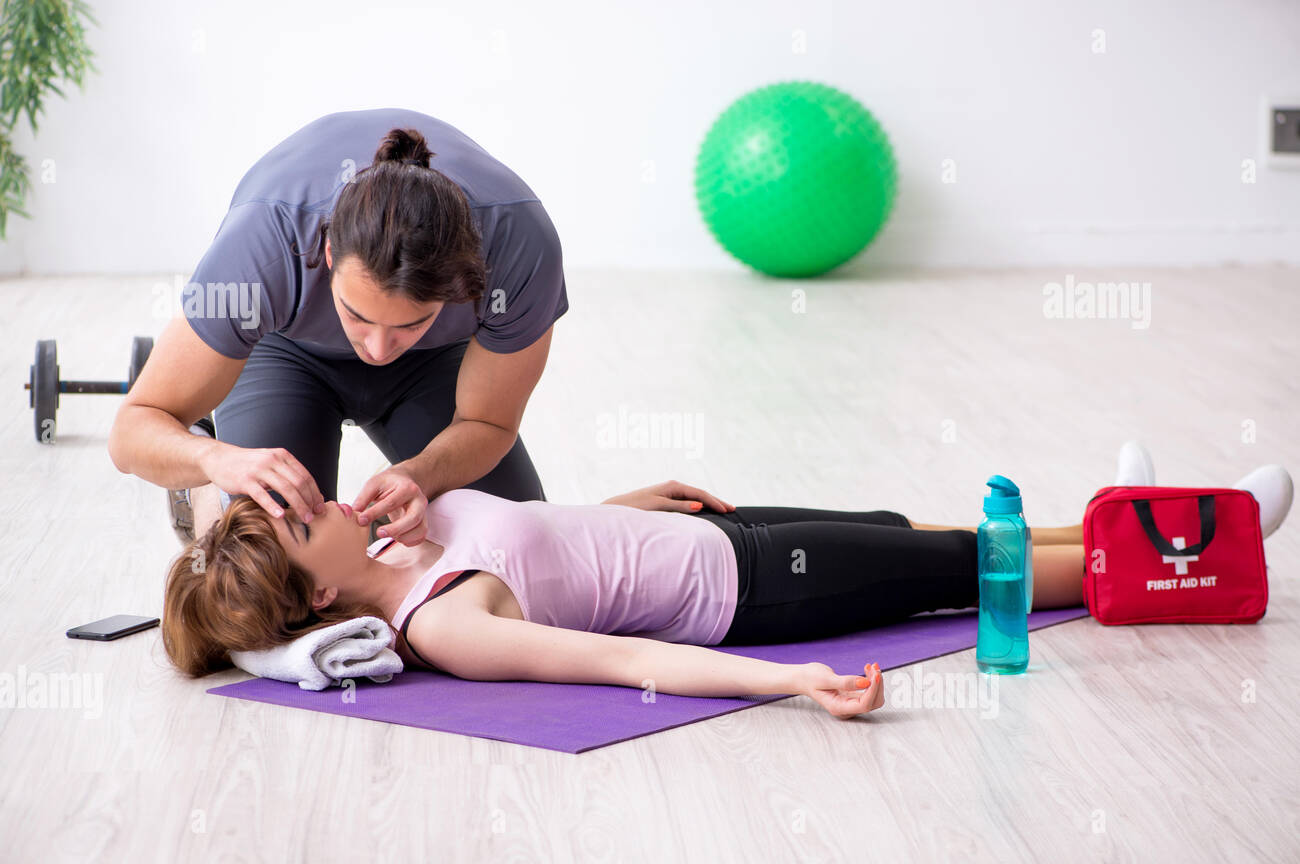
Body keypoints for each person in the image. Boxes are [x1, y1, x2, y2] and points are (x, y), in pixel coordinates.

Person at [163, 438, 1296, 721]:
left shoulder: (399, 531)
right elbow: (622, 658)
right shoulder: (450, 625)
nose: (310, 498)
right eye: (298, 520)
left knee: (927, 524)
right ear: (319, 601)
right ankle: (1208, 548)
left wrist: (626, 506)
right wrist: (793, 685)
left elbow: (543, 539)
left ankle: (1133, 519)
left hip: (728, 533)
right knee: (972, 566)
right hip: (758, 593)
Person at [109, 109, 567, 549]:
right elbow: (131, 432)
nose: (378, 349)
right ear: (328, 254)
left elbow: (487, 422)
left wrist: (421, 476)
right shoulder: (262, 246)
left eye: (410, 323)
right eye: (357, 315)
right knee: (274, 560)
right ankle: (208, 497)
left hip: (434, 361)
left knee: (514, 539)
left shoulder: (519, 247)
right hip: (287, 351)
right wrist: (214, 460)